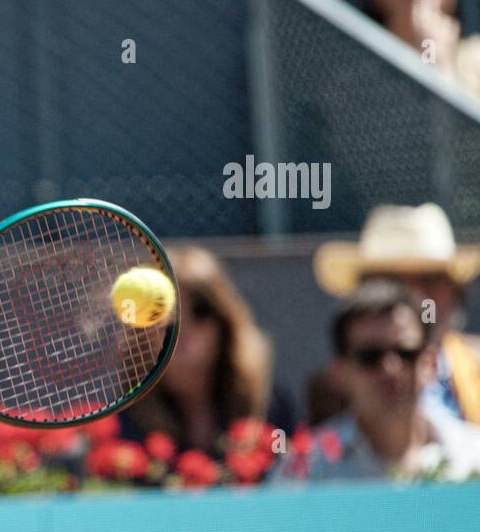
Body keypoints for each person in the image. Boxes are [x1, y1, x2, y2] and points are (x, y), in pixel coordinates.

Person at [274, 281, 480, 482]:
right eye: (370, 357)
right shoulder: (305, 469)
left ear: (431, 364)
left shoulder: (472, 456)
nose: (390, 368)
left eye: (406, 353)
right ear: (339, 372)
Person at [310, 203, 480, 425]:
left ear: (455, 291)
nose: (415, 296)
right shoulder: (333, 391)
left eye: (429, 280)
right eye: (394, 283)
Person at [119, 246, 292, 454]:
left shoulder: (271, 407)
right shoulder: (120, 428)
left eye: (201, 310)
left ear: (225, 323)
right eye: (164, 316)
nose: (183, 331)